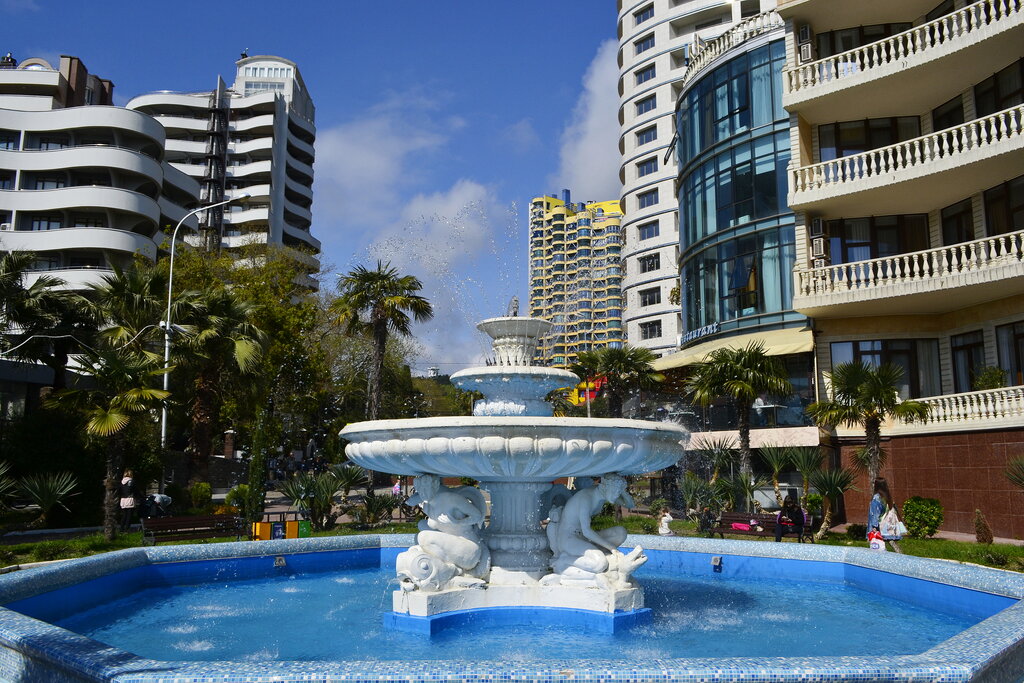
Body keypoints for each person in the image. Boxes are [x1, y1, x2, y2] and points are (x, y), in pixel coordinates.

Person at [868, 477, 903, 553]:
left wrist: (874, 526)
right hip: (887, 525)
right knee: (891, 541)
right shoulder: (887, 497)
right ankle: (900, 555)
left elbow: (875, 513)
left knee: (876, 543)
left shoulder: (876, 498)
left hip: (879, 525)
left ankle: (883, 557)